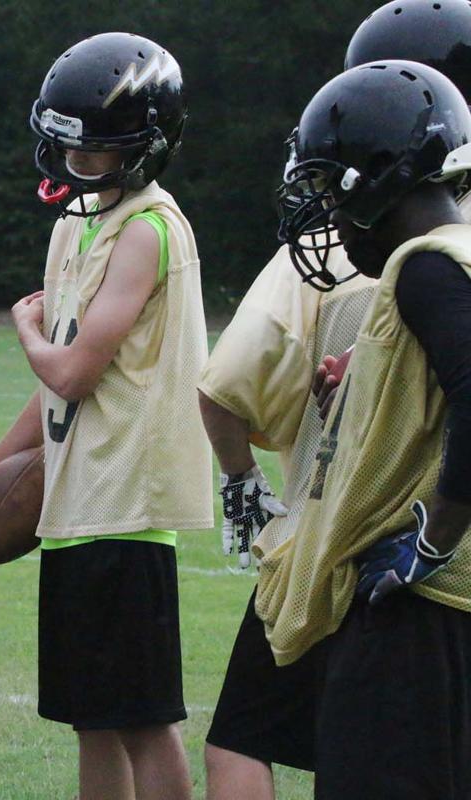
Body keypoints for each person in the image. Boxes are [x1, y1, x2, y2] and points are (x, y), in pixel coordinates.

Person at [201, 2, 471, 796]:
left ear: (380, 177)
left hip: (411, 607)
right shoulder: (446, 258)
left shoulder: (426, 262)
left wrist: (433, 534)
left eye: (329, 187)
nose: (322, 211)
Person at [0, 32, 211, 800]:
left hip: (126, 507)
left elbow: (68, 366)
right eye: (71, 144)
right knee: (91, 719)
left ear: (145, 147)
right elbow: (56, 392)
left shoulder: (149, 229)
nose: (78, 161)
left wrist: (26, 330)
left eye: (99, 148)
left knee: (142, 717)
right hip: (75, 501)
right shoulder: (75, 222)